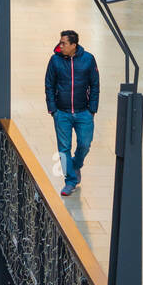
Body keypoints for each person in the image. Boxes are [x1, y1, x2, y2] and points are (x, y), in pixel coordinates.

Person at [45, 28, 100, 196]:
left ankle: (76, 165)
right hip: (62, 113)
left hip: (84, 113)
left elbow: (95, 85)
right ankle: (70, 181)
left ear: (74, 45)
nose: (60, 45)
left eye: (64, 43)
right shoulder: (55, 61)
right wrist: (53, 109)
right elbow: (49, 85)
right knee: (63, 149)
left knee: (84, 144)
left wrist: (92, 109)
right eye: (60, 42)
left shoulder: (88, 60)